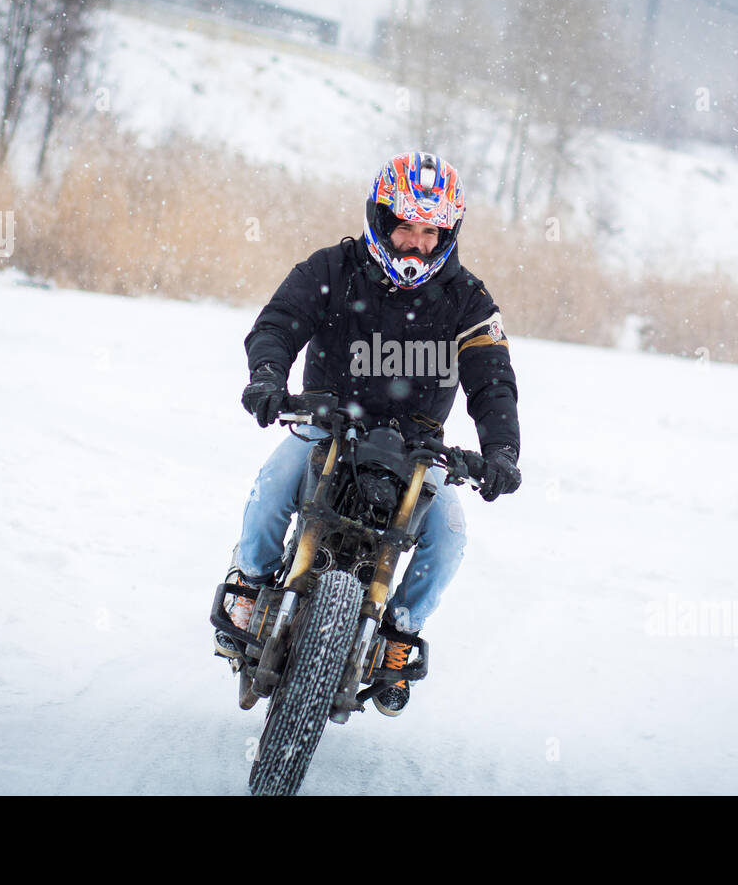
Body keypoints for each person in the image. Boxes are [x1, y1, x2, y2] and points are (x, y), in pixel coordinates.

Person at [217, 151, 521, 715]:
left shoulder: (470, 301)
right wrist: (267, 379)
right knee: (271, 486)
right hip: (328, 427)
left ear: (448, 232)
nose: (417, 242)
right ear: (380, 220)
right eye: (405, 225)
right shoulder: (332, 267)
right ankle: (252, 586)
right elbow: (279, 322)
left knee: (449, 533)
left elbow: (493, 381)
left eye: (431, 231)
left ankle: (400, 635)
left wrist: (501, 451)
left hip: (418, 450)